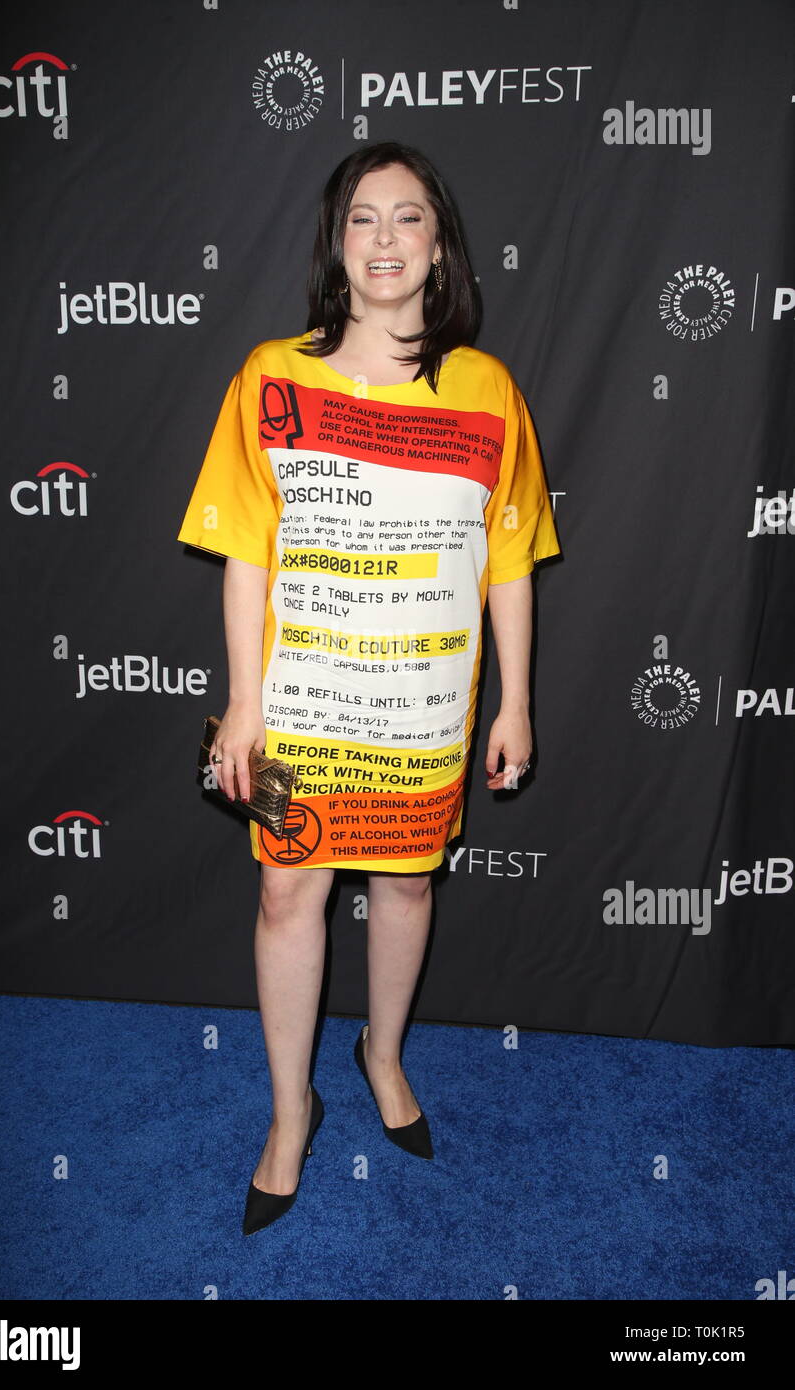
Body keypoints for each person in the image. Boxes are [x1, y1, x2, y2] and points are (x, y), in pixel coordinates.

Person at [177, 141, 561, 1235]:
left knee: (403, 887)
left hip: (424, 706)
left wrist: (515, 700)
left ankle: (380, 1055)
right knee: (286, 894)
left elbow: (508, 559)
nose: (383, 239)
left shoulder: (486, 392)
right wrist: (244, 700)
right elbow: (246, 549)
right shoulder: (270, 377)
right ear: (334, 244)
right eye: (361, 218)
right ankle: (290, 1110)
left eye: (406, 219)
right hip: (302, 701)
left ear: (438, 248)